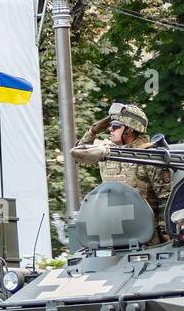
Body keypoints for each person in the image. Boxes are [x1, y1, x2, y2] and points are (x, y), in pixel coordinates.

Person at [71, 102, 173, 243]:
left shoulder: (149, 156)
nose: (110, 130)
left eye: (115, 126)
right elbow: (79, 152)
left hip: (145, 235)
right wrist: (95, 130)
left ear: (129, 130)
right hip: (110, 233)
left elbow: (165, 198)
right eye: (110, 126)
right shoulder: (107, 151)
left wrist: (165, 231)